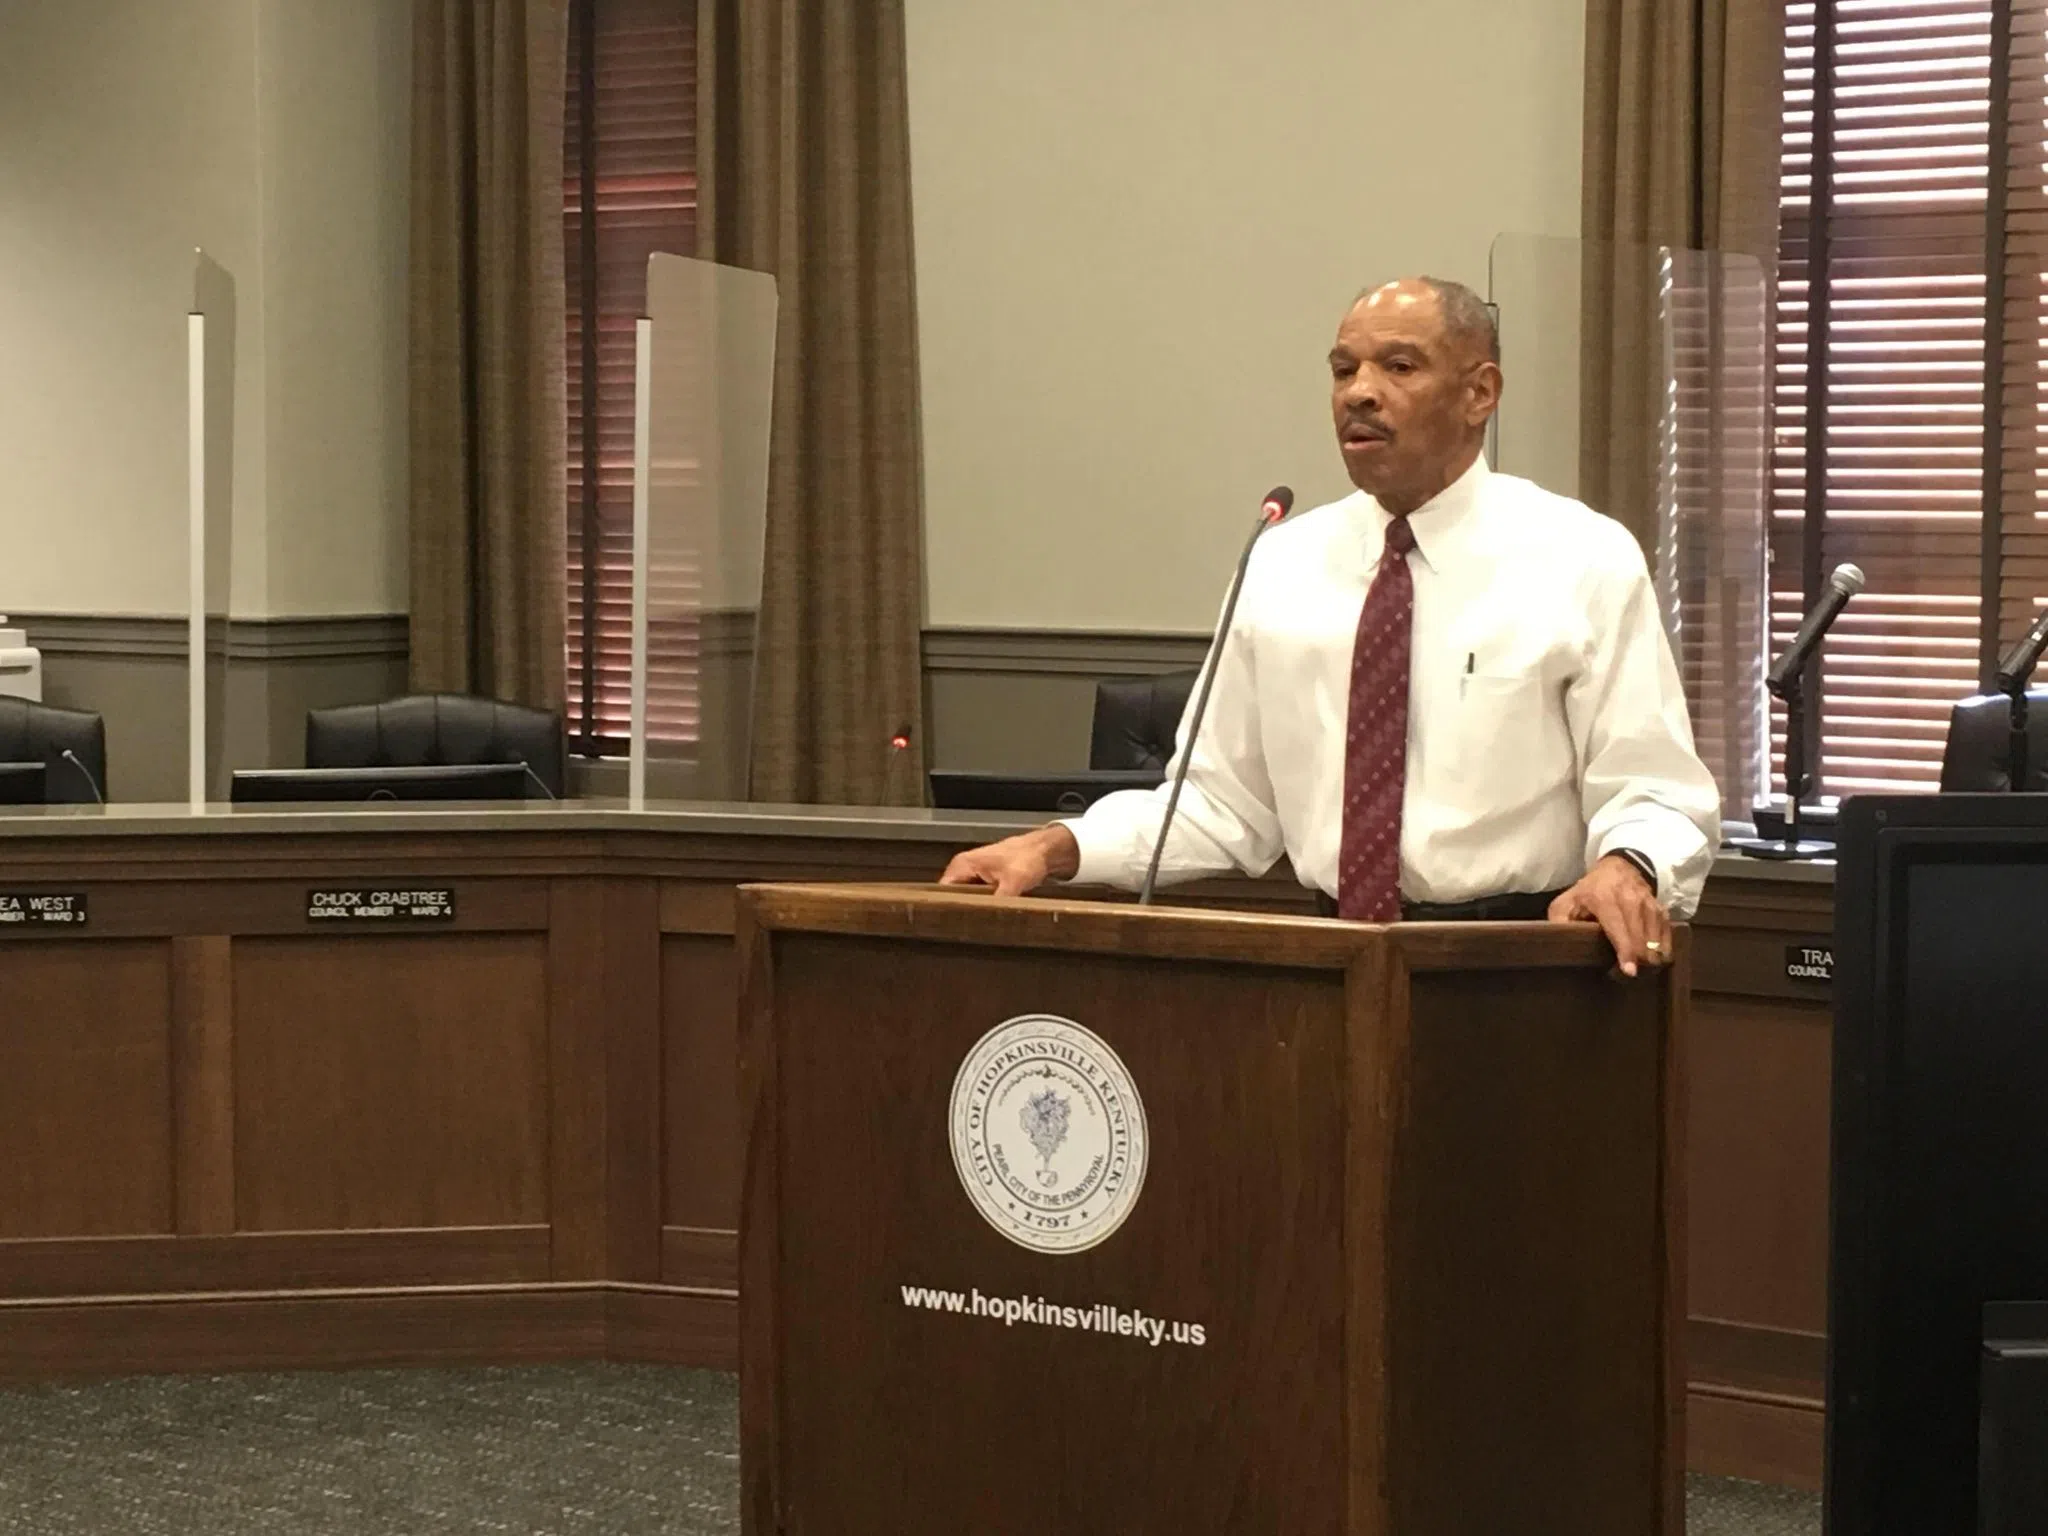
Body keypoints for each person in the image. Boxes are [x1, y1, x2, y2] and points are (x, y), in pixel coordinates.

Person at [941, 276, 1721, 977]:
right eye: (1344, 370)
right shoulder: (1282, 563)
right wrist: (1057, 847)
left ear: (1480, 393)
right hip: (1330, 965)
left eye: (1399, 367)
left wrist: (1628, 865)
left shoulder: (1580, 557)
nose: (1360, 393)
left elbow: (1655, 788)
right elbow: (1220, 806)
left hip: (1517, 963)